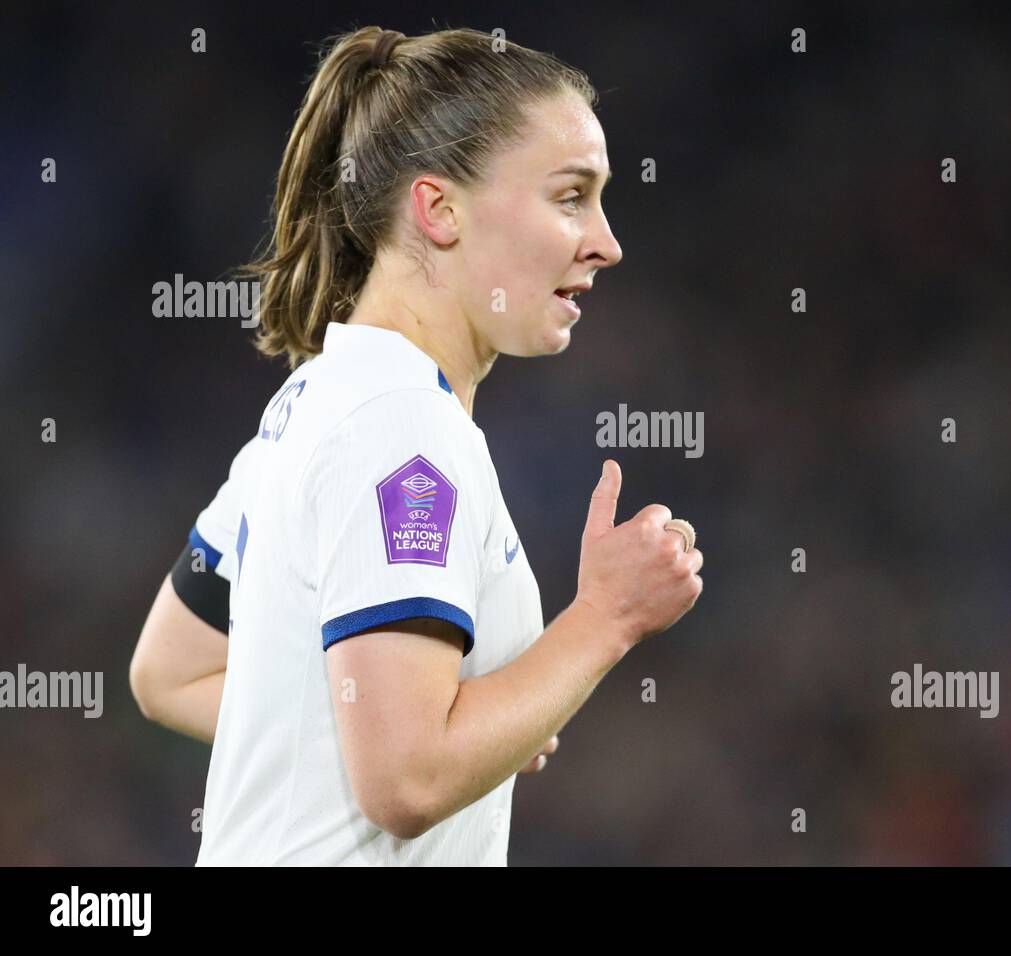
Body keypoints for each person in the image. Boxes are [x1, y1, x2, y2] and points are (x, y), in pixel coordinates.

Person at [128, 25, 702, 865]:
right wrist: (606, 620)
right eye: (571, 195)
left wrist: (477, 720)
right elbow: (407, 782)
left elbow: (169, 670)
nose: (606, 241)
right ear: (439, 209)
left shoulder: (313, 404)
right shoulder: (402, 432)